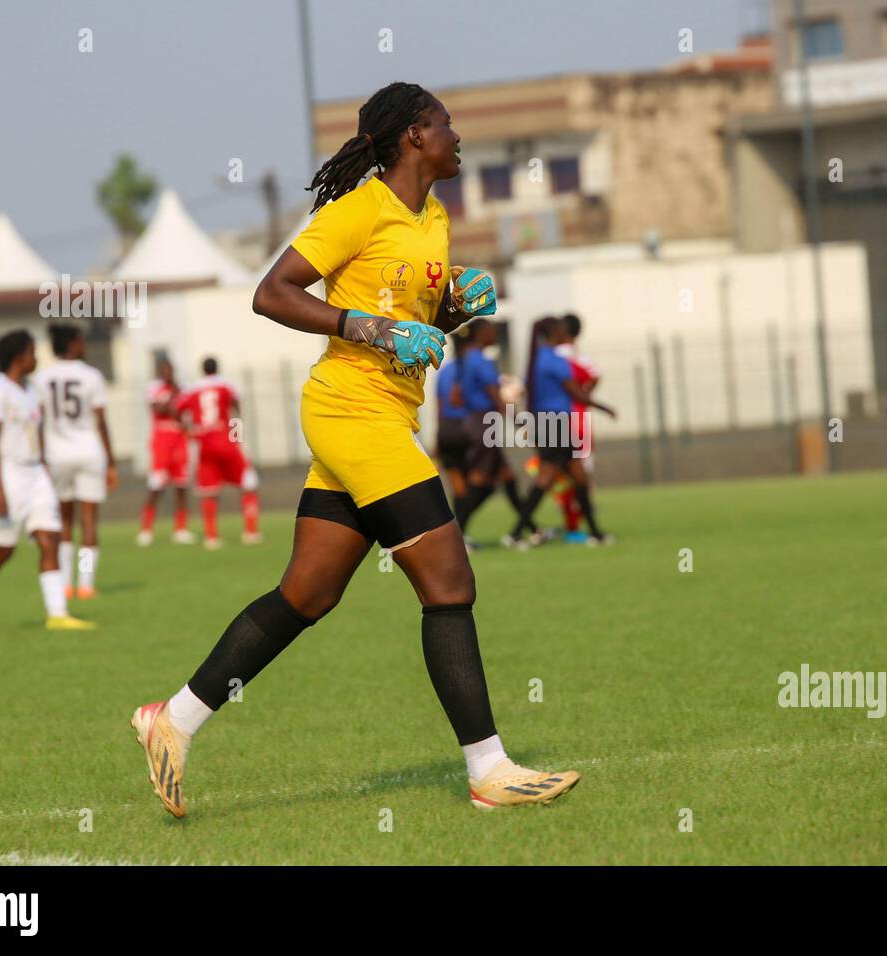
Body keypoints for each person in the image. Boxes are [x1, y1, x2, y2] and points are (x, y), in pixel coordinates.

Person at [129, 82, 580, 818]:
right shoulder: (360, 208)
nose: (456, 134)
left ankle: (172, 721)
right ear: (412, 136)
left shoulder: (431, 216)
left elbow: (416, 324)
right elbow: (273, 292)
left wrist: (458, 305)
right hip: (351, 413)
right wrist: (371, 329)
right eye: (445, 123)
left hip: (384, 415)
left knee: (307, 594)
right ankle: (488, 771)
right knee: (449, 583)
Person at [0, 329, 95, 636]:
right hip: (7, 476)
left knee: (50, 539)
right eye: (32, 352)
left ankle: (57, 613)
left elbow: (36, 433)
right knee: (3, 550)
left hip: (35, 475)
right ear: (19, 356)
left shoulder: (30, 389)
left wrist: (43, 465)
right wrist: (0, 489)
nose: (36, 358)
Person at [504, 317, 615, 548]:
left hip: (544, 422)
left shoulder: (535, 361)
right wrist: (605, 408)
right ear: (555, 333)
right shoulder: (555, 361)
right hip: (556, 423)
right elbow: (577, 394)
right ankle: (515, 534)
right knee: (547, 478)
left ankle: (595, 533)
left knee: (578, 476)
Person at [37, 323, 117, 598]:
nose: (85, 346)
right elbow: (101, 422)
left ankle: (65, 584)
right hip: (89, 452)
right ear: (72, 344)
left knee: (64, 522)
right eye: (81, 341)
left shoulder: (42, 378)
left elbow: (37, 421)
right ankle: (86, 584)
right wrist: (112, 461)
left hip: (56, 454)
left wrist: (40, 457)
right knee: (89, 520)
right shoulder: (91, 376)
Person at [452, 317, 533, 542]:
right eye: (490, 331)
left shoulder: (466, 359)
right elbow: (496, 397)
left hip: (475, 422)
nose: (494, 335)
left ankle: (529, 528)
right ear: (481, 334)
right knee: (479, 480)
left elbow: (456, 396)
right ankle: (455, 534)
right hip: (483, 425)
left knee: (507, 477)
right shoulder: (481, 361)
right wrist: (519, 421)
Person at [173, 357, 262, 550]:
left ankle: (211, 536)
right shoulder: (226, 385)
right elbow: (236, 410)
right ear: (217, 368)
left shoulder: (193, 389)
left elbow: (176, 409)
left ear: (202, 370)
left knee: (208, 490)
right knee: (249, 483)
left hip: (204, 443)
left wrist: (189, 430)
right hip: (225, 439)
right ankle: (251, 531)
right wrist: (237, 437)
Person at [553, 312, 601, 542]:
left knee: (560, 476)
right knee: (581, 476)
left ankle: (571, 523)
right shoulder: (581, 361)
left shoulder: (548, 356)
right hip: (578, 420)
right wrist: (584, 396)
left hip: (551, 421)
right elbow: (594, 376)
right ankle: (578, 525)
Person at [137, 357, 194, 546]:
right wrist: (173, 399)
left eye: (170, 369)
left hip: (180, 440)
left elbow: (183, 415)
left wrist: (175, 406)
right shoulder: (154, 388)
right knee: (156, 486)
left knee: (181, 486)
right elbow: (161, 410)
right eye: (164, 369)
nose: (167, 373)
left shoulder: (183, 389)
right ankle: (146, 528)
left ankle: (181, 528)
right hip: (162, 441)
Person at [434, 329, 471, 516]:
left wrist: (438, 436)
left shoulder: (445, 370)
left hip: (447, 429)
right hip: (466, 428)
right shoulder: (471, 368)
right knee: (479, 481)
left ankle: (462, 533)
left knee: (458, 485)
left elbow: (439, 406)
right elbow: (459, 399)